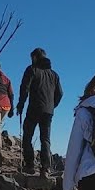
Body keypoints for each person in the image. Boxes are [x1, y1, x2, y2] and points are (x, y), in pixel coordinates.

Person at [17, 48, 63, 176]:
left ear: (35, 57)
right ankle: (45, 168)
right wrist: (53, 105)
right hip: (48, 111)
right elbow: (60, 93)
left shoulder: (32, 70)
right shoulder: (54, 75)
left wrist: (20, 104)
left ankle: (29, 165)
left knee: (27, 136)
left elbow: (24, 88)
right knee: (45, 139)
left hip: (34, 108)